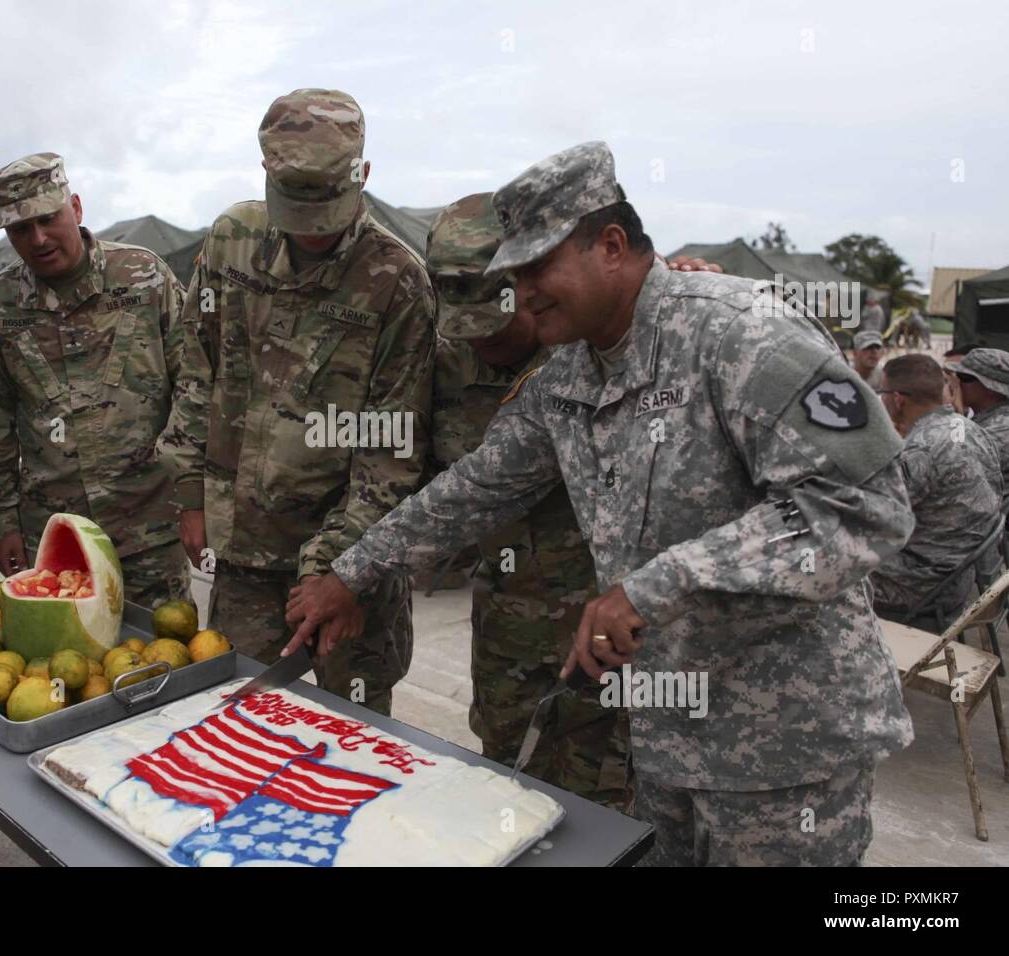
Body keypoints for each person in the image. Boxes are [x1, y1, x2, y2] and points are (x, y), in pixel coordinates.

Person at [285, 141, 915, 865]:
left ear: (611, 244)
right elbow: (474, 488)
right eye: (512, 276)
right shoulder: (569, 375)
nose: (521, 295)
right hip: (664, 739)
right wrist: (352, 573)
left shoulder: (741, 333)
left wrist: (657, 586)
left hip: (784, 756)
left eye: (538, 268)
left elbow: (866, 506)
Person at [156, 89, 435, 715]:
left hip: (352, 561)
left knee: (357, 739)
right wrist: (190, 493)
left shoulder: (396, 282)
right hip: (246, 551)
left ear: (363, 175)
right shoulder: (231, 241)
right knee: (238, 723)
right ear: (267, 175)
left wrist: (339, 569)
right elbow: (196, 369)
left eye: (328, 210)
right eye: (295, 207)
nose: (311, 233)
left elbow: (391, 454)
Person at [425, 193, 627, 806]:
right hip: (506, 629)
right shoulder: (440, 362)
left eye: (493, 320)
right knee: (509, 794)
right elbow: (434, 488)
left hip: (607, 632)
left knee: (609, 805)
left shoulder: (588, 352)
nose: (479, 341)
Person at [0, 153, 190, 610]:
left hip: (149, 524)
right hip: (56, 535)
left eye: (48, 219)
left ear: (77, 207)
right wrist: (3, 521)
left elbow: (193, 385)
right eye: (19, 230)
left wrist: (194, 496)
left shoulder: (144, 278)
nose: (38, 238)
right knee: (66, 666)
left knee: (170, 661)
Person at [872, 354, 1003, 622]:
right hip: (957, 578)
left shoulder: (920, 450)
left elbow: (870, 518)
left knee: (815, 573)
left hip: (920, 589)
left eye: (881, 393)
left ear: (897, 399)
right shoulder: (971, 429)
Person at [946, 347, 1009, 510]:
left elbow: (949, 465)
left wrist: (956, 414)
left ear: (991, 387)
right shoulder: (990, 418)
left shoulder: (1000, 429)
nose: (956, 382)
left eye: (964, 378)